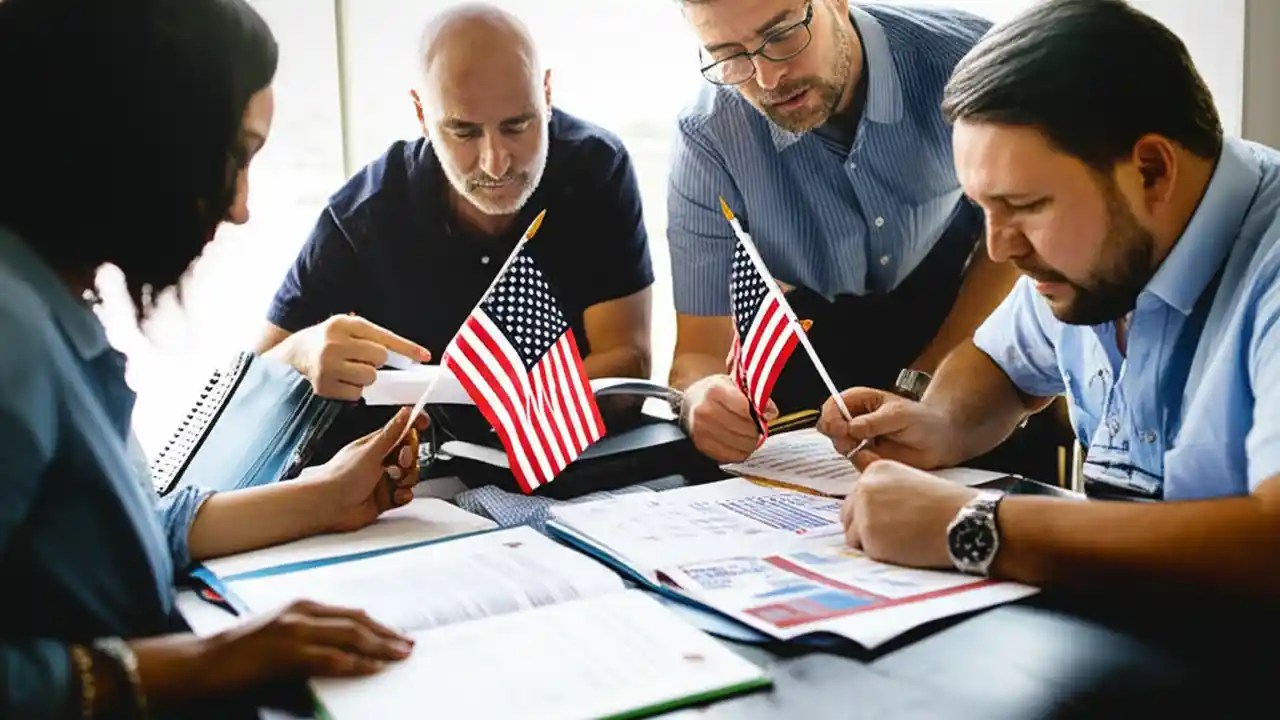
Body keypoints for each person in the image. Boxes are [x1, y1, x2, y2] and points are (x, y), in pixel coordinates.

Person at [0, 1, 430, 717]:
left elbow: (125, 530)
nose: (240, 208)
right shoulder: (12, 335)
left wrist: (325, 498)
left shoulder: (52, 300)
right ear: (137, 137)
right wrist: (210, 659)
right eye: (233, 157)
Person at [816, 0, 1280, 600]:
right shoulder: (1095, 251)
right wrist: (941, 423)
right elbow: (999, 365)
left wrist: (974, 527)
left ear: (1151, 170)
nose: (999, 248)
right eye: (984, 208)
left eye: (1027, 207)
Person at [255, 2, 655, 464]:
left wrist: (506, 421)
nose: (496, 161)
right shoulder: (365, 213)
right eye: (464, 131)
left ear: (546, 93)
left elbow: (627, 364)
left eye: (517, 125)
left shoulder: (595, 169)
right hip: (401, 487)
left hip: (565, 468)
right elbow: (250, 389)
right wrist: (304, 352)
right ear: (422, 114)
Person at [667, 0, 1022, 463]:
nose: (767, 79)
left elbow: (1021, 238)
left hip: (963, 307)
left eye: (781, 36)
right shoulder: (707, 134)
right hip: (808, 340)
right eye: (728, 54)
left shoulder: (972, 59)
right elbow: (698, 351)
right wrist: (700, 399)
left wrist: (924, 381)